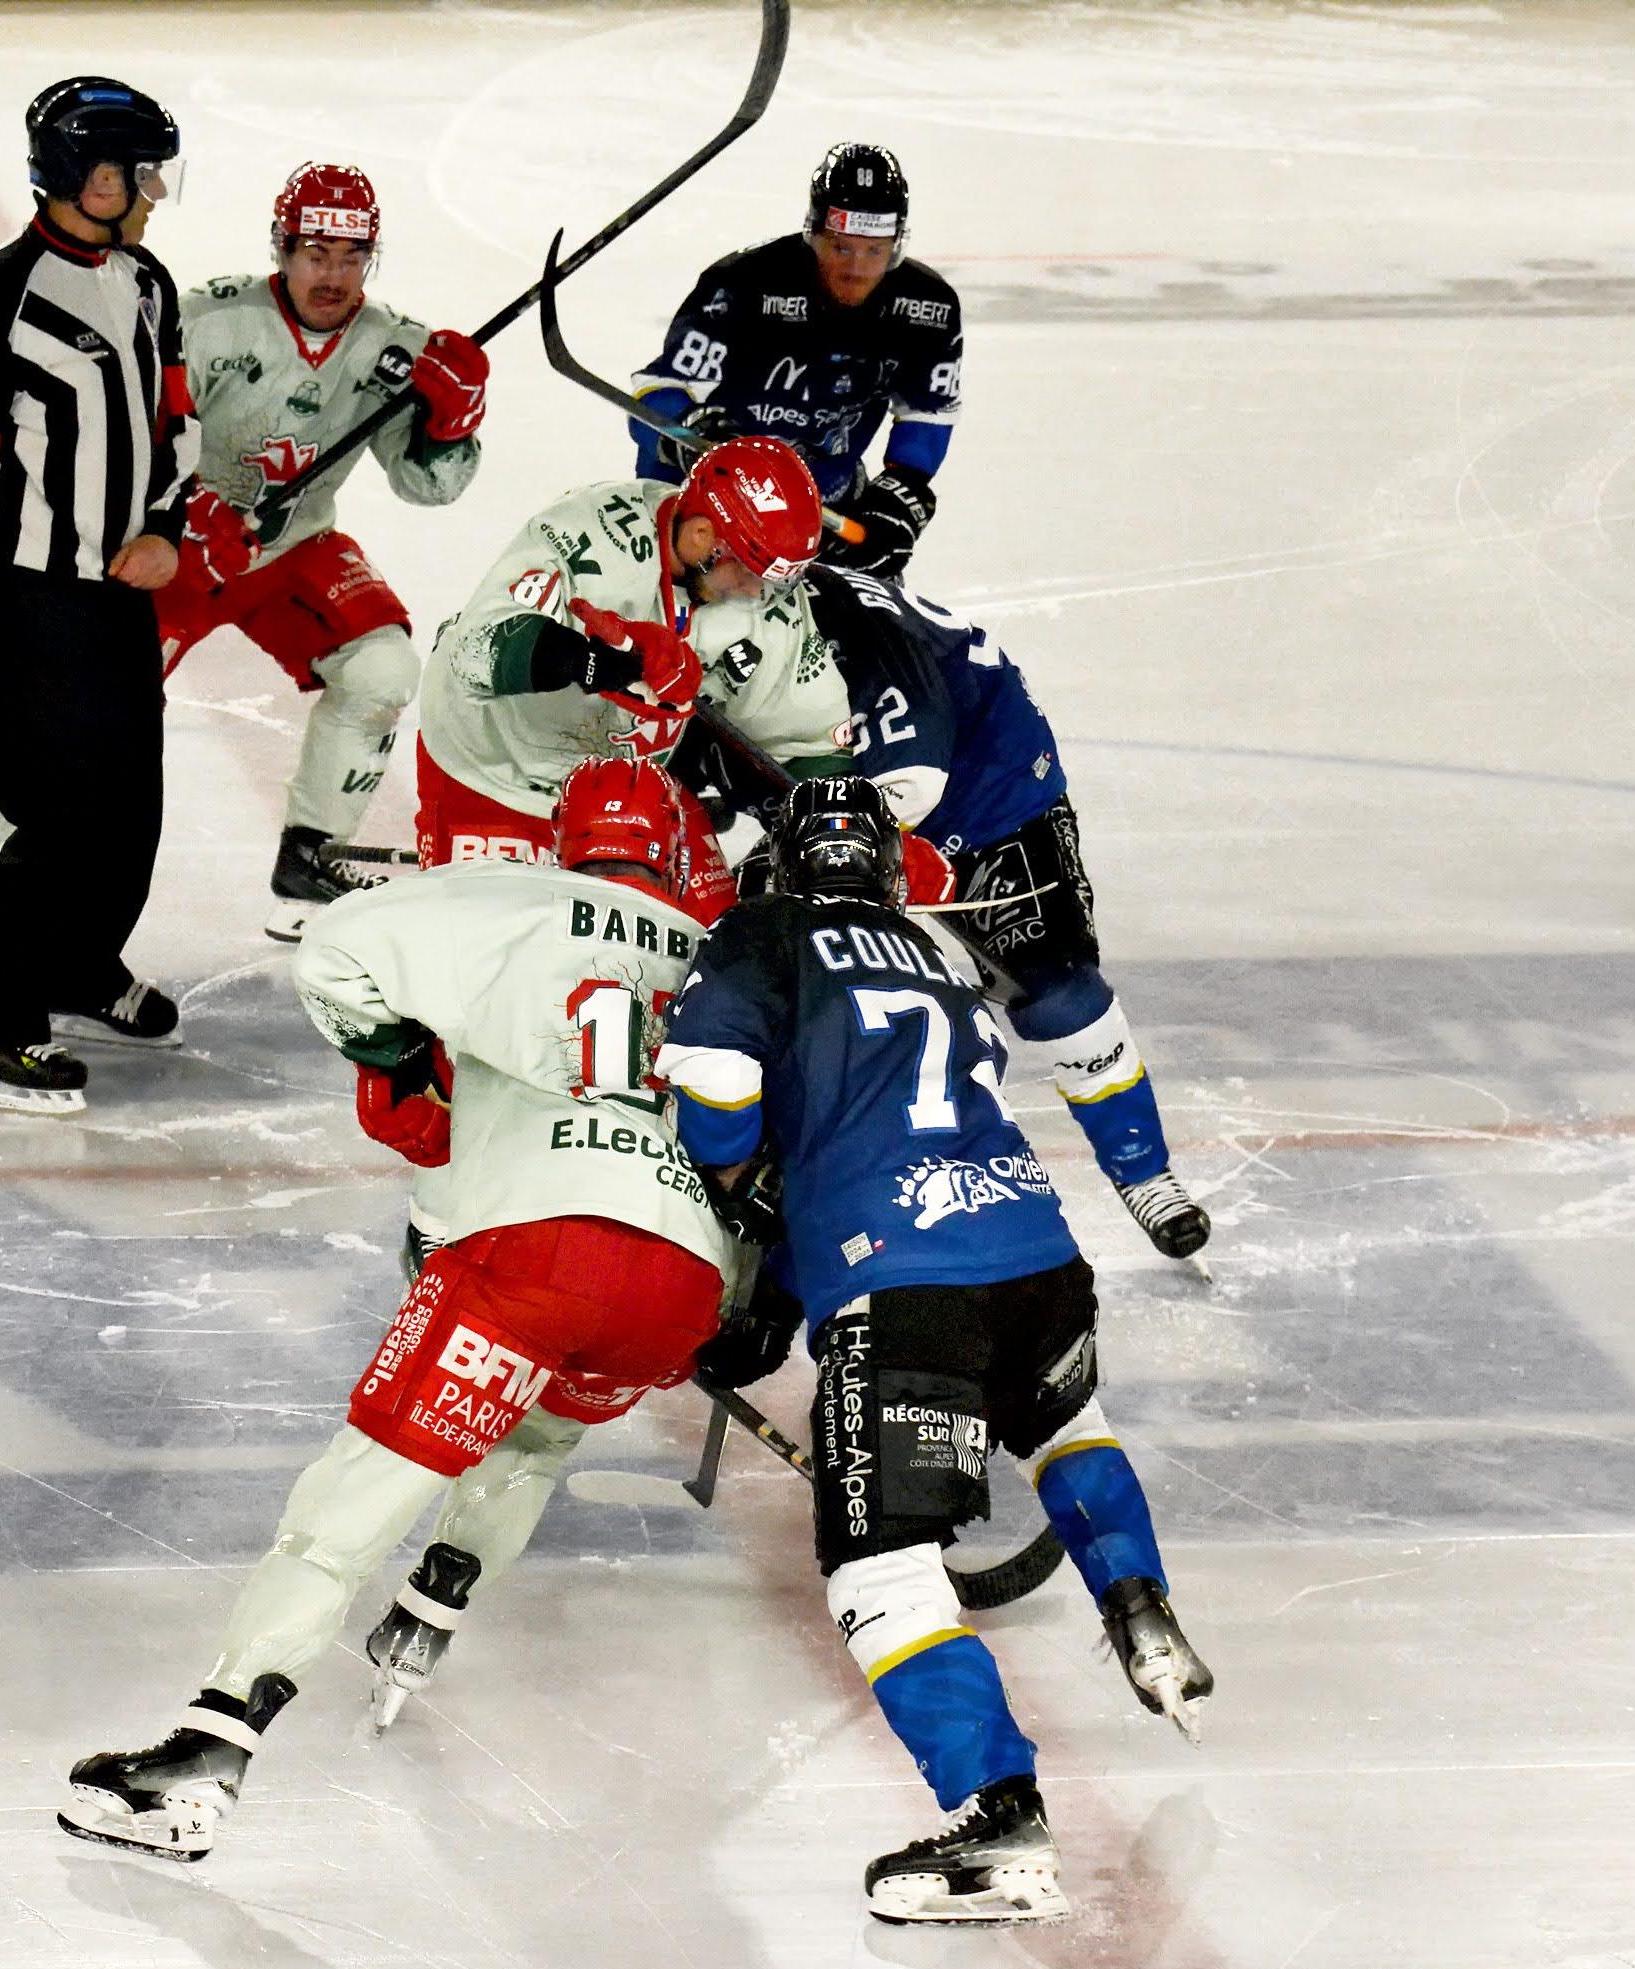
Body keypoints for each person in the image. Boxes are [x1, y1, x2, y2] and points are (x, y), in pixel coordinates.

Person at [58, 758, 733, 1857]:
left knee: (355, 1492)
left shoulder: (511, 896)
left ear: (564, 834)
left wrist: (404, 1053)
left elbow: (337, 951)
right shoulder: (725, 951)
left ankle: (208, 1750)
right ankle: (433, 1609)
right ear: (673, 852)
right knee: (540, 1439)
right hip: (682, 1280)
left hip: (537, 1243)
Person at [652, 776, 1211, 1926]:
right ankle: (1140, 1603)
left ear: (789, 863)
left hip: (903, 1287)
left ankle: (999, 1819)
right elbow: (881, 1114)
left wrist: (742, 1191)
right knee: (1066, 1424)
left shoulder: (764, 931)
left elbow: (717, 1090)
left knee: (880, 1563)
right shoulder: (933, 949)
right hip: (1038, 1254)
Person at [0, 162, 495, 943]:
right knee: (85, 709)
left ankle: (311, 854)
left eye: (352, 259)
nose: (333, 276)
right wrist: (189, 514)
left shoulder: (394, 350)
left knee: (382, 669)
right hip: (175, 549)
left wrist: (450, 425)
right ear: (281, 248)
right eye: (316, 253)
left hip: (293, 547)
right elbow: (130, 433)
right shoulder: (206, 318)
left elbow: (427, 488)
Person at [0, 77, 248, 1116]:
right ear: (89, 177)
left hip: (114, 593)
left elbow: (174, 419)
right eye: (141, 174)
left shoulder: (146, 282)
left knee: (128, 798)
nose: (153, 194)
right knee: (59, 811)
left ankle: (76, 962)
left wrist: (167, 529)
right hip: (22, 594)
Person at [709, 566, 1211, 1257]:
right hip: (852, 796)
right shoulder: (744, 612)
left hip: (986, 807)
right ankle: (746, 1178)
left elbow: (908, 783)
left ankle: (1144, 1170)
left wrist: (883, 856)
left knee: (1058, 992)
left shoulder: (870, 653)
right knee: (742, 958)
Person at [412, 433, 854, 885]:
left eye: (774, 583)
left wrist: (848, 826)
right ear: (703, 537)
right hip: (494, 772)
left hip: (632, 793)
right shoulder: (590, 532)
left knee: (703, 937)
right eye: (747, 574)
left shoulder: (761, 593)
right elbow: (474, 652)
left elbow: (809, 741)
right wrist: (590, 660)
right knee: (488, 942)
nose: (757, 594)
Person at [628, 143, 962, 579]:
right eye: (842, 249)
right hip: (705, 506)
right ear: (815, 233)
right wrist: (693, 432)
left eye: (875, 251)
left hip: (817, 503)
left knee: (862, 633)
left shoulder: (927, 309)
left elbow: (927, 410)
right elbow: (658, 393)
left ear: (896, 244)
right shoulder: (743, 284)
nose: (858, 269)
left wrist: (903, 491)